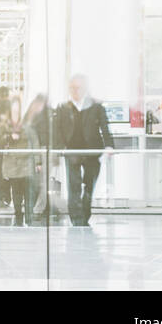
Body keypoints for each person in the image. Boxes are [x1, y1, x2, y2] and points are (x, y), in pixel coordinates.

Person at [53, 75, 114, 227]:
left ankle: (84, 215)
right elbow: (57, 130)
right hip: (72, 151)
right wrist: (61, 148)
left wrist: (109, 145)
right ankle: (77, 220)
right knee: (73, 185)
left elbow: (105, 127)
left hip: (92, 151)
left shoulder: (96, 106)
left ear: (85, 88)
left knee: (89, 185)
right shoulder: (63, 107)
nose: (74, 91)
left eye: (77, 88)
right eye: (71, 88)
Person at [0, 98, 37, 225]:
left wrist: (38, 162)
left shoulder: (27, 124)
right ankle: (19, 217)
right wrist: (9, 137)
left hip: (25, 163)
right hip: (12, 164)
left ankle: (29, 219)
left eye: (17, 110)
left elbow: (35, 141)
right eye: (13, 110)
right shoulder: (4, 125)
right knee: (17, 193)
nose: (16, 112)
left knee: (28, 193)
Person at [22, 94, 51, 224]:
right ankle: (36, 208)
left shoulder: (39, 114)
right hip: (35, 150)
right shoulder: (34, 115)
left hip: (41, 150)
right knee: (37, 181)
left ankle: (37, 209)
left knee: (43, 182)